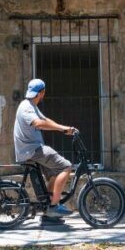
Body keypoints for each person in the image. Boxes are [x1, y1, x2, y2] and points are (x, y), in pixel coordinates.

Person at [13, 78, 76, 219]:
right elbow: (38, 123)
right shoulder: (27, 107)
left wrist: (63, 129)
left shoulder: (31, 105)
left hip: (32, 148)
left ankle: (47, 207)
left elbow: (45, 120)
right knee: (66, 167)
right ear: (42, 92)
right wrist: (62, 128)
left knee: (54, 172)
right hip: (32, 149)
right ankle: (54, 206)